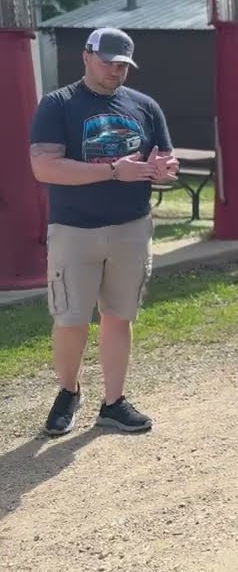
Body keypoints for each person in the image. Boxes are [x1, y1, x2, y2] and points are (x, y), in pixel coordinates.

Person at [27, 27, 179, 436]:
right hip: (74, 229)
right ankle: (67, 392)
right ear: (86, 56)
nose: (116, 71)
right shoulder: (58, 105)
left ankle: (113, 402)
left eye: (123, 65)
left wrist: (164, 171)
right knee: (71, 318)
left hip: (131, 227)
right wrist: (113, 170)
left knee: (118, 316)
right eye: (108, 62)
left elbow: (162, 160)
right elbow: (44, 166)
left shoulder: (145, 106)